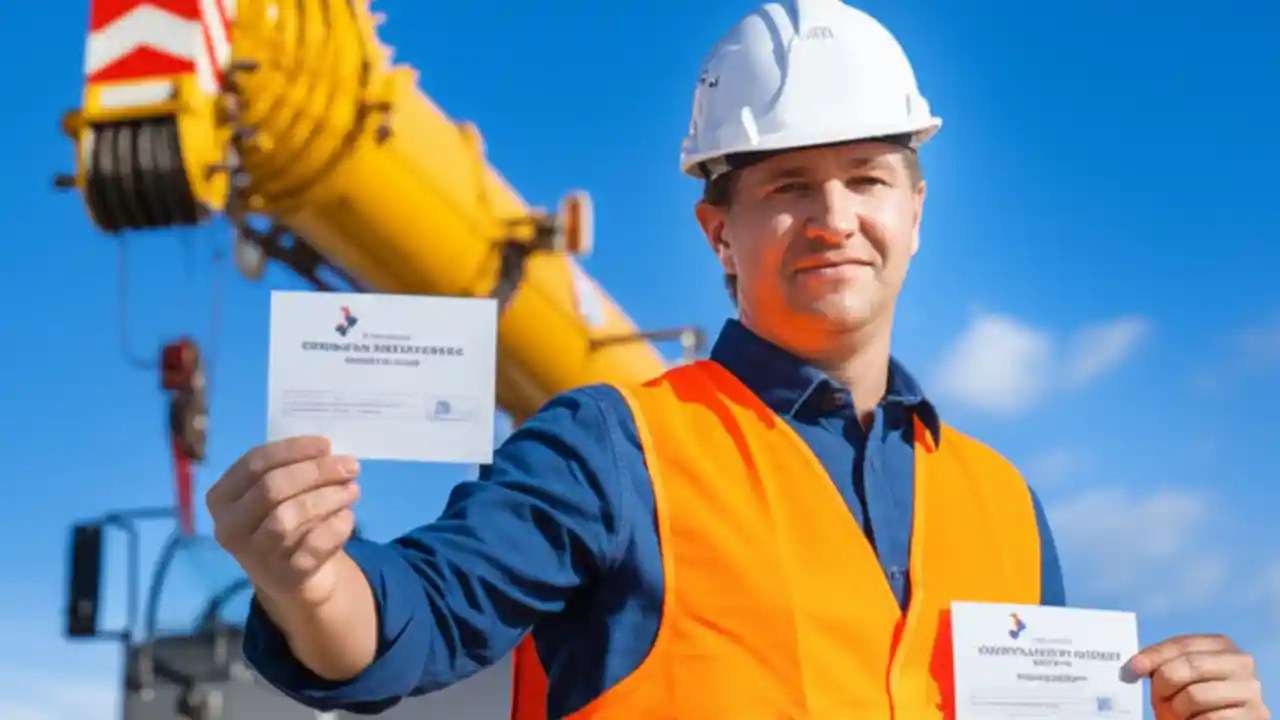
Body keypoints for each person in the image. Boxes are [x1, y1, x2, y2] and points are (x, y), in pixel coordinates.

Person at [207, 0, 1270, 718]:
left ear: (916, 208)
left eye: (865, 178)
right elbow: (415, 616)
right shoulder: (609, 447)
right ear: (719, 230)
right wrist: (311, 580)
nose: (832, 217)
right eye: (786, 187)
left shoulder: (1000, 502)